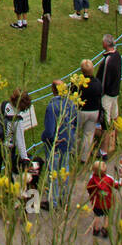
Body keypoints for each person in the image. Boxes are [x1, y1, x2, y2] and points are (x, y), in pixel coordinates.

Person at [0, 89, 33, 192]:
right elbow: (20, 140)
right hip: (8, 147)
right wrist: (25, 158)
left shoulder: (4, 105)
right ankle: (12, 192)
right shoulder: (17, 119)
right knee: (9, 170)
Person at [41, 81, 78, 209]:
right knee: (64, 170)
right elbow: (75, 123)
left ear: (53, 90)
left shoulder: (52, 106)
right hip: (67, 142)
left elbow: (50, 130)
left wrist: (44, 138)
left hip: (55, 144)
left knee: (53, 173)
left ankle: (54, 202)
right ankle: (64, 199)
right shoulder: (71, 104)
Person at [96, 34, 122, 138]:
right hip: (115, 92)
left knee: (105, 122)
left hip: (107, 94)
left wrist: (100, 93)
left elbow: (103, 80)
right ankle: (115, 139)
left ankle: (104, 147)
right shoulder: (117, 55)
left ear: (106, 44)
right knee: (115, 116)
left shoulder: (108, 60)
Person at [87, 159, 120, 239]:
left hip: (97, 202)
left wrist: (91, 194)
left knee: (97, 216)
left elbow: (89, 188)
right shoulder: (109, 179)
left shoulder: (92, 179)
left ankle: (96, 229)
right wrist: (121, 179)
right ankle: (105, 229)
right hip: (107, 202)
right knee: (107, 215)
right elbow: (116, 185)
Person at [77, 59, 103, 161]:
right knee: (88, 134)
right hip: (94, 111)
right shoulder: (97, 83)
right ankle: (84, 157)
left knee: (76, 132)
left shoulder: (79, 82)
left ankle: (74, 153)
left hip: (81, 110)